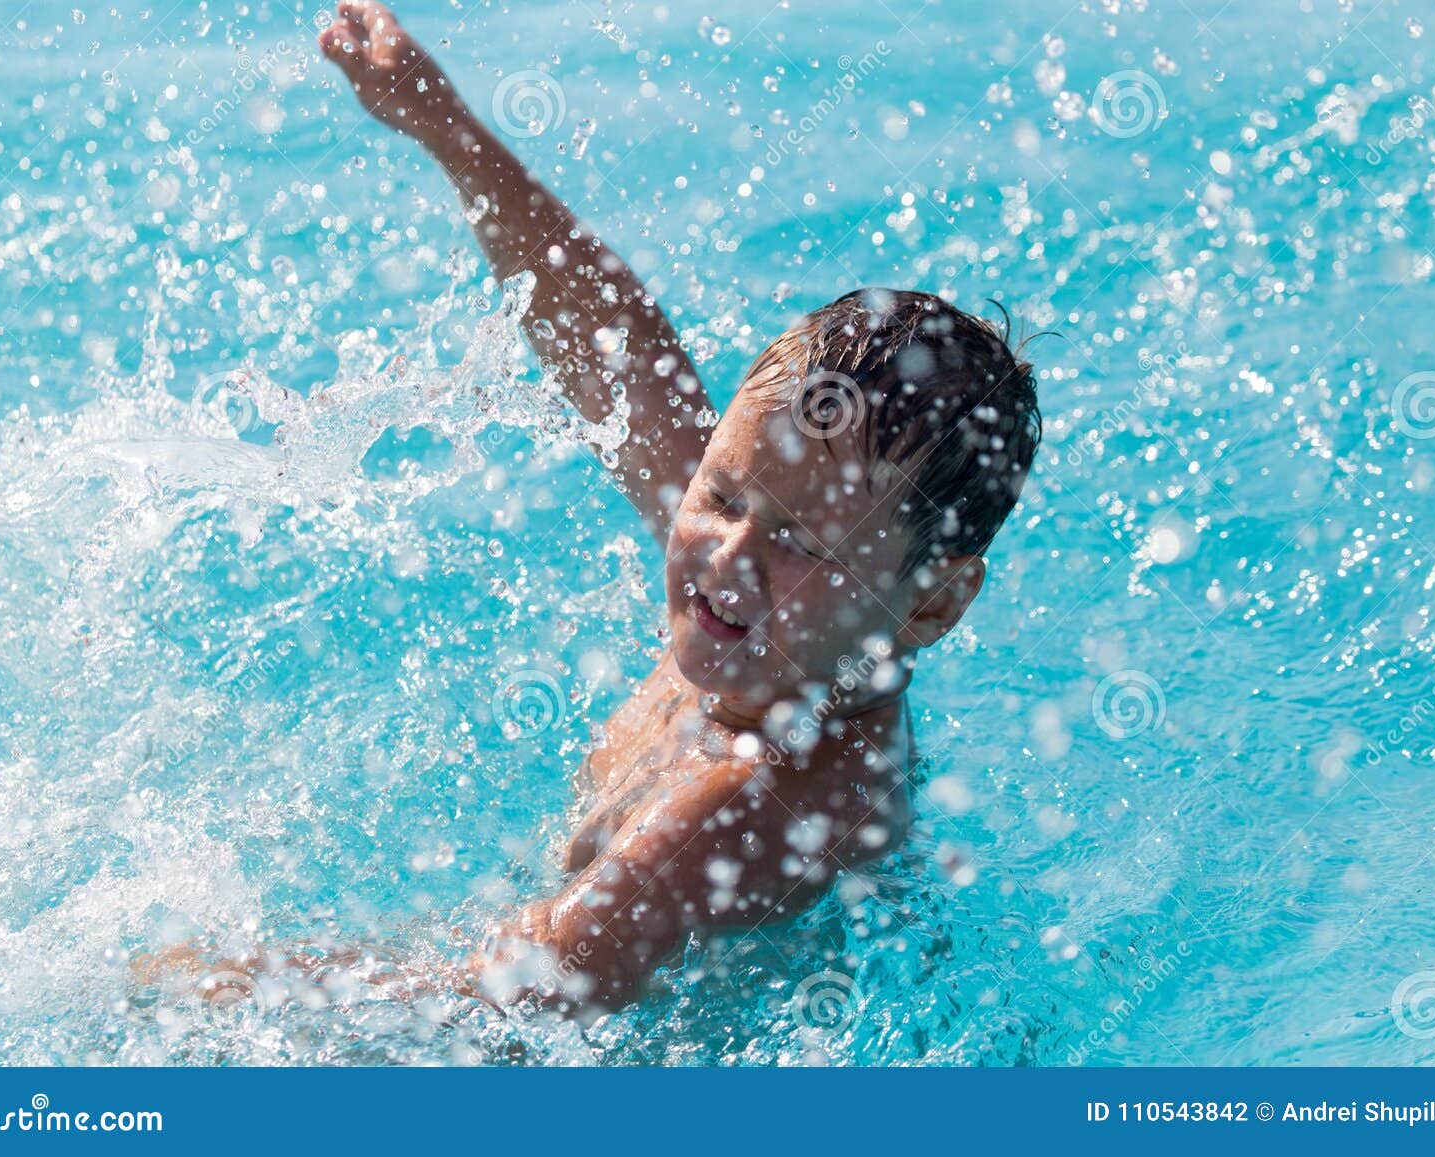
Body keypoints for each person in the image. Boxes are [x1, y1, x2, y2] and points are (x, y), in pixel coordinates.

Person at [141, 0, 1042, 1018]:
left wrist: (198, 991)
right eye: (723, 490)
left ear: (930, 603)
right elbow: (613, 352)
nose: (726, 551)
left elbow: (503, 1008)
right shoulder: (775, 625)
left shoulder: (749, 803)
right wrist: (448, 130)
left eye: (795, 539)